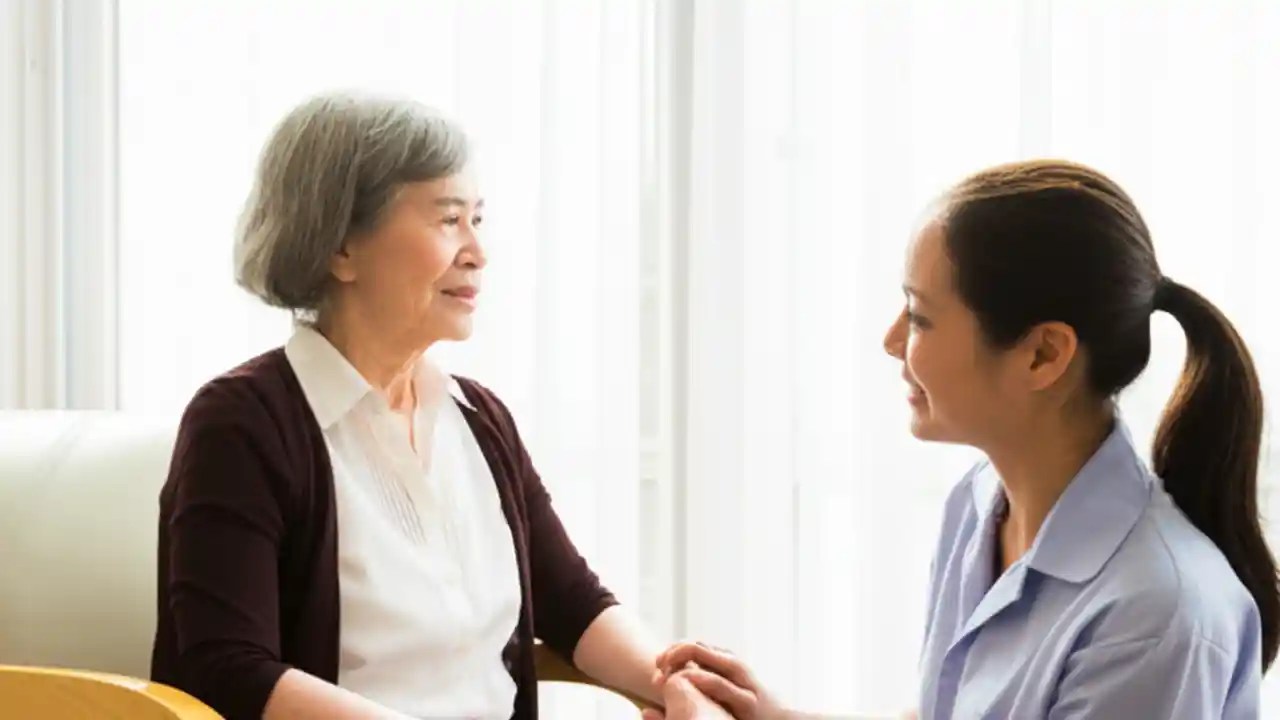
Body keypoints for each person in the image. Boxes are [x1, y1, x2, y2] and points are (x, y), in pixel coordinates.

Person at [650, 160, 1278, 719]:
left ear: (1042, 354)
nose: (893, 340)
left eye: (920, 316)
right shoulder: (981, 504)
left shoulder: (1156, 617)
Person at [150, 92, 662, 720]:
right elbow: (226, 668)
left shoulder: (479, 420)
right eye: (448, 221)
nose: (477, 251)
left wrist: (677, 681)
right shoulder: (242, 425)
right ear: (341, 247)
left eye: (478, 219)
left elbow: (575, 606)